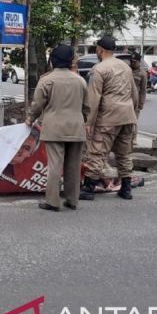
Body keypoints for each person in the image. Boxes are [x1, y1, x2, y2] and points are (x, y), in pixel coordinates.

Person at [26, 45, 89, 212]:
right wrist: (86, 122)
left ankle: (53, 202)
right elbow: (87, 107)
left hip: (54, 128)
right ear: (70, 62)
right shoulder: (80, 80)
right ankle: (72, 200)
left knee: (55, 165)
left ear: (53, 61)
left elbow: (37, 104)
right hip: (76, 128)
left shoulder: (47, 80)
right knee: (74, 165)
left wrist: (31, 118)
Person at [81, 36, 138, 201]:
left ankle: (89, 187)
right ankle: (126, 188)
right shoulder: (126, 67)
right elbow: (134, 93)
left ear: (100, 49)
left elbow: (93, 98)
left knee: (97, 151)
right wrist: (132, 112)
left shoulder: (98, 69)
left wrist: (89, 122)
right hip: (127, 116)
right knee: (124, 153)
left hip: (108, 117)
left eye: (97, 49)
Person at [129, 52, 147, 147]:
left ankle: (134, 138)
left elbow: (143, 90)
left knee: (134, 120)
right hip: (125, 99)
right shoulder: (127, 70)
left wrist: (141, 103)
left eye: (134, 62)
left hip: (135, 100)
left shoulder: (142, 74)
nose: (132, 63)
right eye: (131, 61)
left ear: (139, 62)